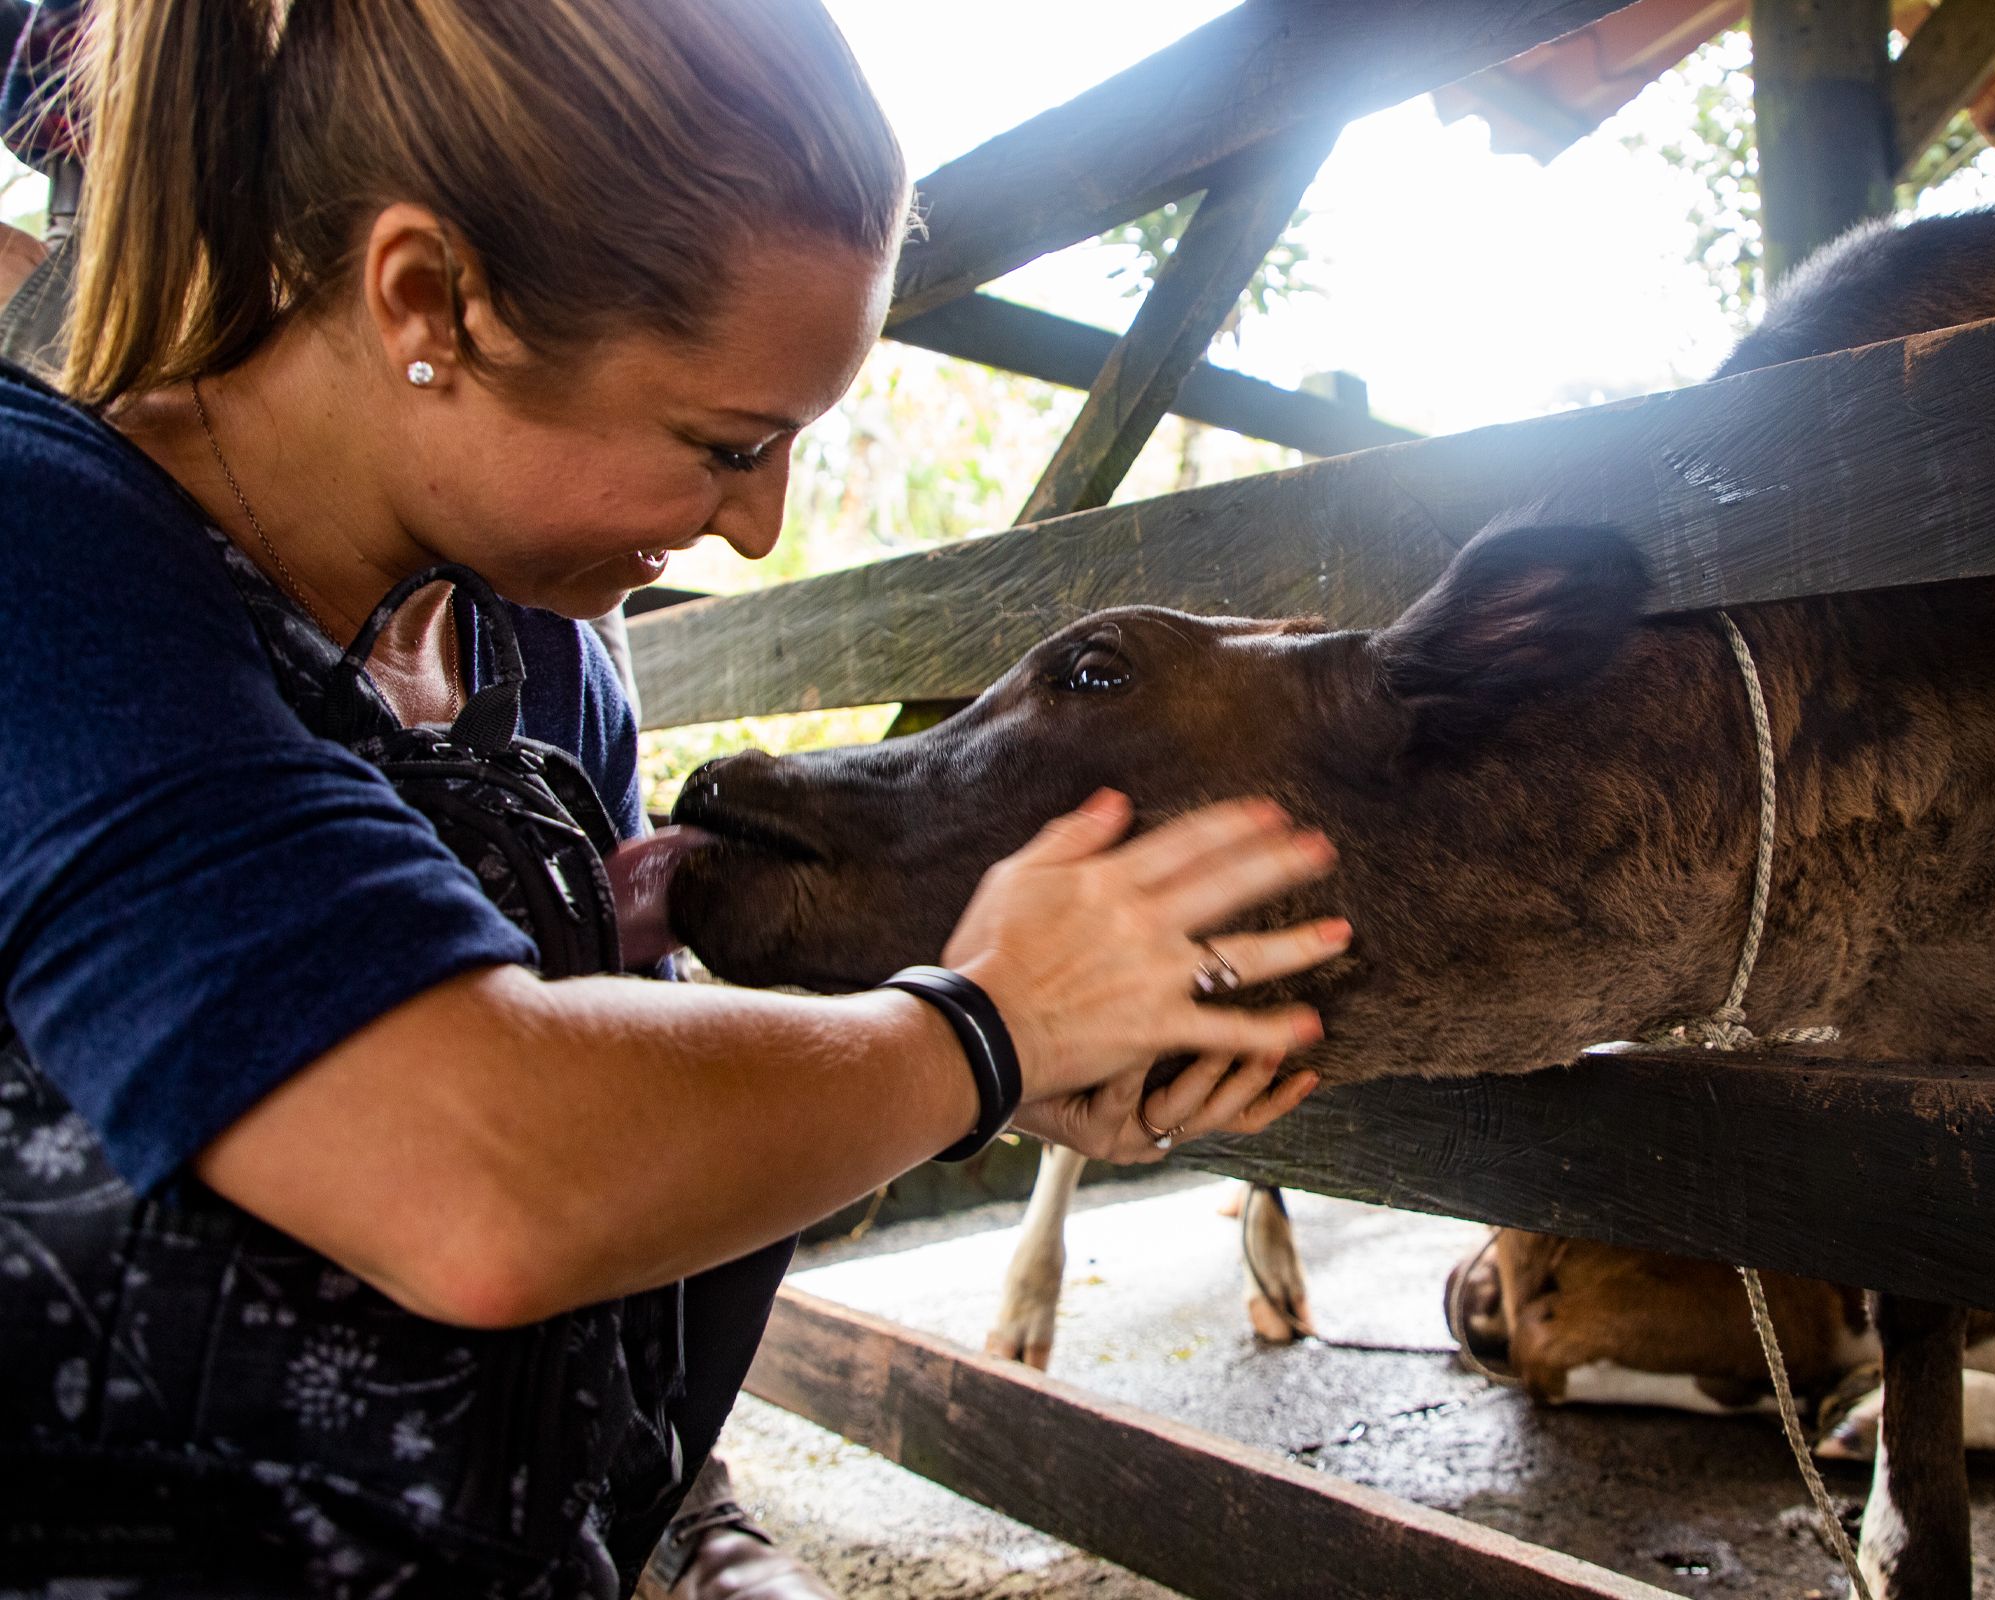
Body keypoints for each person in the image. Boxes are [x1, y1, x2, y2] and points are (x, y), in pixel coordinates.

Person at [0, 3, 1345, 1596]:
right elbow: (473, 1170)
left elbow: (634, 1157)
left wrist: (940, 1069)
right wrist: (980, 1034)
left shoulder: (536, 645)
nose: (763, 530)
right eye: (727, 444)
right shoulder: (51, 551)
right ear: (429, 299)